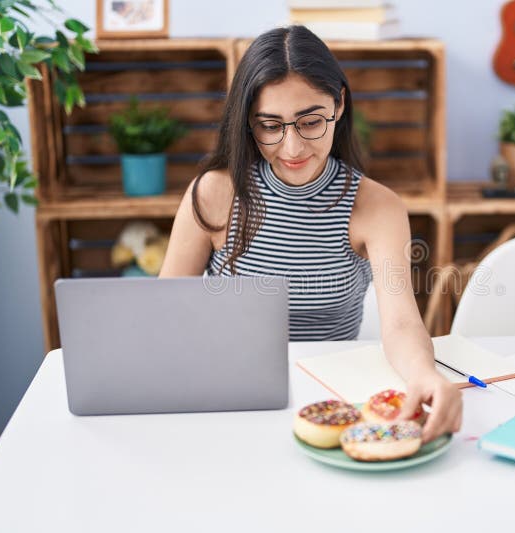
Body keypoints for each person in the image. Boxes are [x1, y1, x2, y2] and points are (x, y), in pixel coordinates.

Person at [160, 25, 461, 442]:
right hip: (229, 398)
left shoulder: (378, 208)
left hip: (332, 402)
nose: (292, 148)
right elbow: (163, 314)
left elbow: (401, 325)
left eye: (310, 121)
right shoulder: (214, 193)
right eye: (270, 125)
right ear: (248, 121)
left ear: (338, 104)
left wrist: (426, 376)